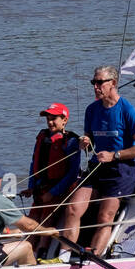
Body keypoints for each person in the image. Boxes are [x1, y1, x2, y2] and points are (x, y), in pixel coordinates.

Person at [63, 66, 135, 257]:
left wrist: (114, 155)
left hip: (121, 170)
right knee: (72, 209)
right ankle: (62, 258)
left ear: (113, 83)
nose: (95, 86)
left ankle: (92, 259)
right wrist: (85, 141)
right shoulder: (92, 110)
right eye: (93, 82)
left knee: (105, 216)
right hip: (97, 167)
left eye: (99, 82)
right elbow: (89, 138)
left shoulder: (127, 110)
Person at [22, 103, 84, 249]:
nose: (50, 122)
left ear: (64, 120)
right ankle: (28, 251)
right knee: (32, 220)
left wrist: (53, 192)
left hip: (58, 191)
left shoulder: (71, 141)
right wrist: (31, 187)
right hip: (40, 190)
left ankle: (42, 252)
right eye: (48, 119)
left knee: (45, 220)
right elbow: (34, 164)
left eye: (54, 118)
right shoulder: (42, 137)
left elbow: (72, 174)